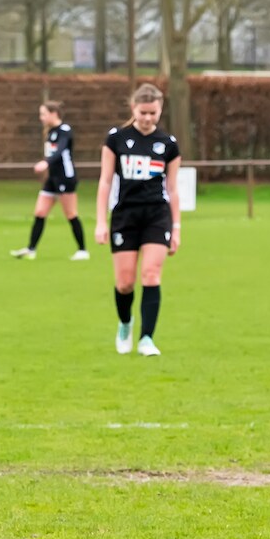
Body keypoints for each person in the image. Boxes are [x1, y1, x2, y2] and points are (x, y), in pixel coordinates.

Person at [94, 83, 181, 357]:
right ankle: (125, 323)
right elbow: (105, 182)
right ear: (133, 109)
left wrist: (176, 226)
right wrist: (100, 221)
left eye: (153, 113)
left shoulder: (169, 145)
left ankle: (146, 339)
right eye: (143, 112)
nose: (147, 118)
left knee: (151, 274)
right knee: (125, 283)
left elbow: (174, 189)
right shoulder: (116, 139)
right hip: (125, 216)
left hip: (157, 215)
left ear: (160, 110)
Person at [10, 100, 89, 261]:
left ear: (54, 114)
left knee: (71, 214)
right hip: (52, 179)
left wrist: (46, 162)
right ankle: (31, 249)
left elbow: (60, 150)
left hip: (65, 178)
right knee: (40, 212)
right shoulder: (50, 132)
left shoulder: (64, 130)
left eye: (43, 114)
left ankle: (82, 250)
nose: (41, 118)